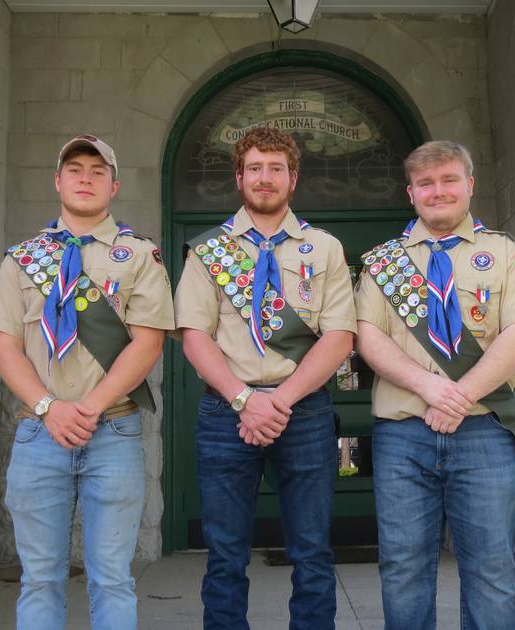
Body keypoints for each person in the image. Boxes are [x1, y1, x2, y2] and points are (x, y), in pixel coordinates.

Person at [0, 134, 174, 630]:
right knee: (40, 577)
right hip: (39, 432)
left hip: (113, 430)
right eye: (75, 169)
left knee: (111, 577)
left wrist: (88, 408)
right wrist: (49, 407)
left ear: (114, 185)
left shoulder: (140, 254)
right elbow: (6, 347)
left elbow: (147, 344)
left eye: (97, 170)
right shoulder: (23, 258)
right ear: (57, 181)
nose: (85, 178)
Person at [354, 140, 515, 630]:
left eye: (447, 180)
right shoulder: (383, 262)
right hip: (403, 434)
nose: (437, 191)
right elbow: (367, 337)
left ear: (469, 184)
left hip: (483, 431)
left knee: (489, 570)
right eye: (426, 183)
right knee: (403, 569)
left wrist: (459, 398)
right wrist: (431, 388)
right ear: (411, 192)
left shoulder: (504, 254)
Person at [174, 126, 356, 630]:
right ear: (239, 177)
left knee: (312, 551)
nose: (265, 178)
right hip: (225, 412)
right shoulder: (209, 251)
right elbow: (194, 336)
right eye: (254, 168)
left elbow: (339, 337)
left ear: (292, 178)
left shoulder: (324, 249)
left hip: (305, 412)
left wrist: (277, 402)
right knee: (226, 554)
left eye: (276, 168)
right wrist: (244, 400)